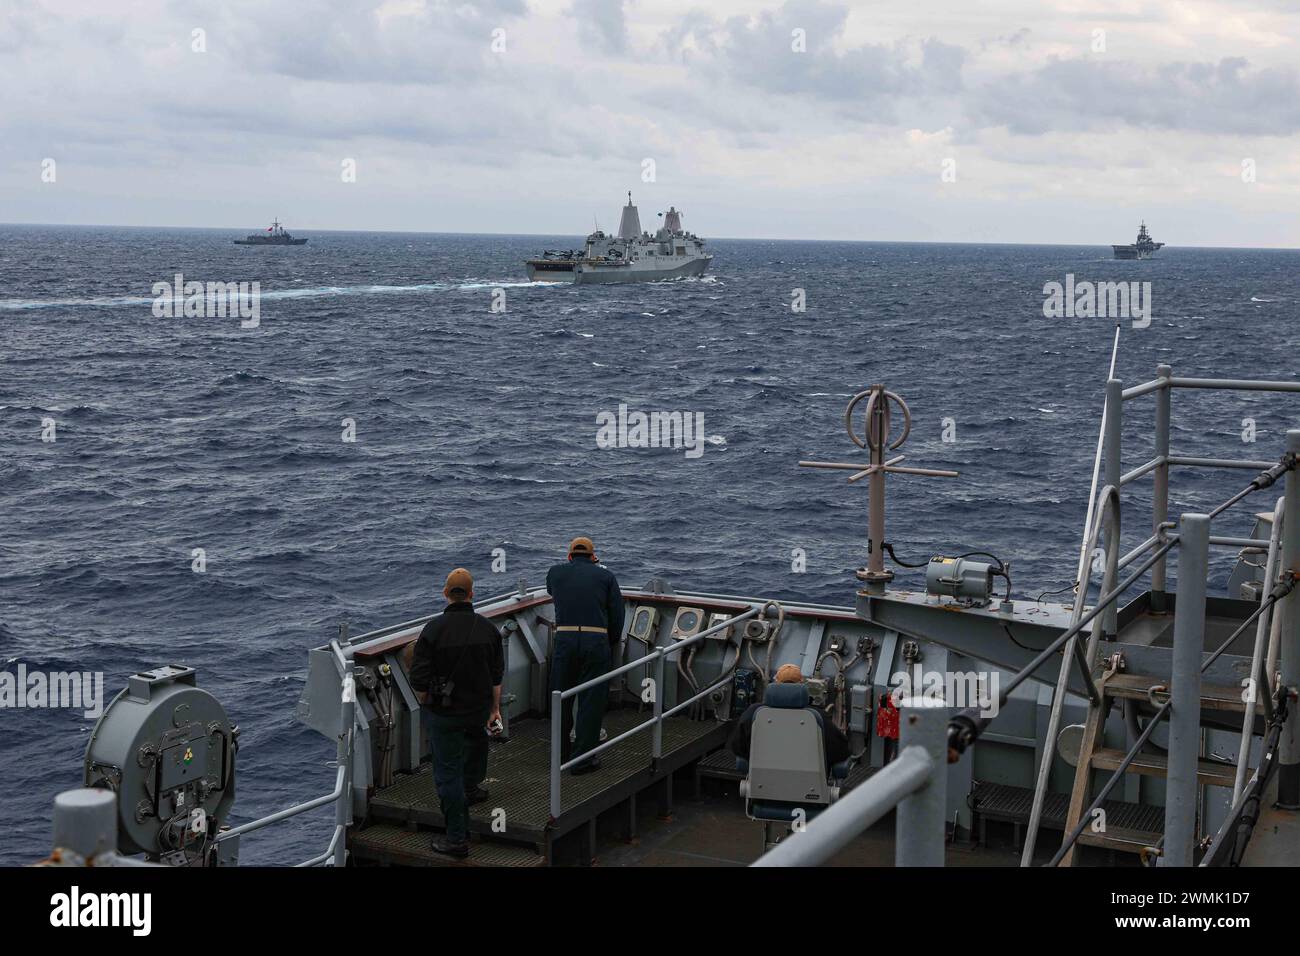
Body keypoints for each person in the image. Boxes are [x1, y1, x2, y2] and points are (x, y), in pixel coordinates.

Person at [409, 568, 504, 858]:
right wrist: (494, 710)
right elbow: (496, 676)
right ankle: (472, 789)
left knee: (448, 774)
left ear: (445, 593)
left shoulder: (433, 630)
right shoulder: (487, 629)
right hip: (477, 711)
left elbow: (419, 679)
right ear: (472, 594)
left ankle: (457, 839)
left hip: (445, 715)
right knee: (476, 746)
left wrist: (428, 700)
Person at [546, 536, 624, 775]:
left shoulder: (555, 573)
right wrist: (608, 642)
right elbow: (617, 615)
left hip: (565, 641)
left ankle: (560, 756)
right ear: (593, 556)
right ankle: (582, 760)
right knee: (591, 701)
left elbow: (552, 590)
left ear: (569, 556)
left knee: (560, 698)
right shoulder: (606, 576)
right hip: (595, 640)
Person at [728, 664, 850, 768]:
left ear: (775, 683)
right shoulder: (817, 717)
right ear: (802, 685)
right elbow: (840, 752)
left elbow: (737, 747)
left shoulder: (753, 714)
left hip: (763, 784)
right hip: (809, 787)